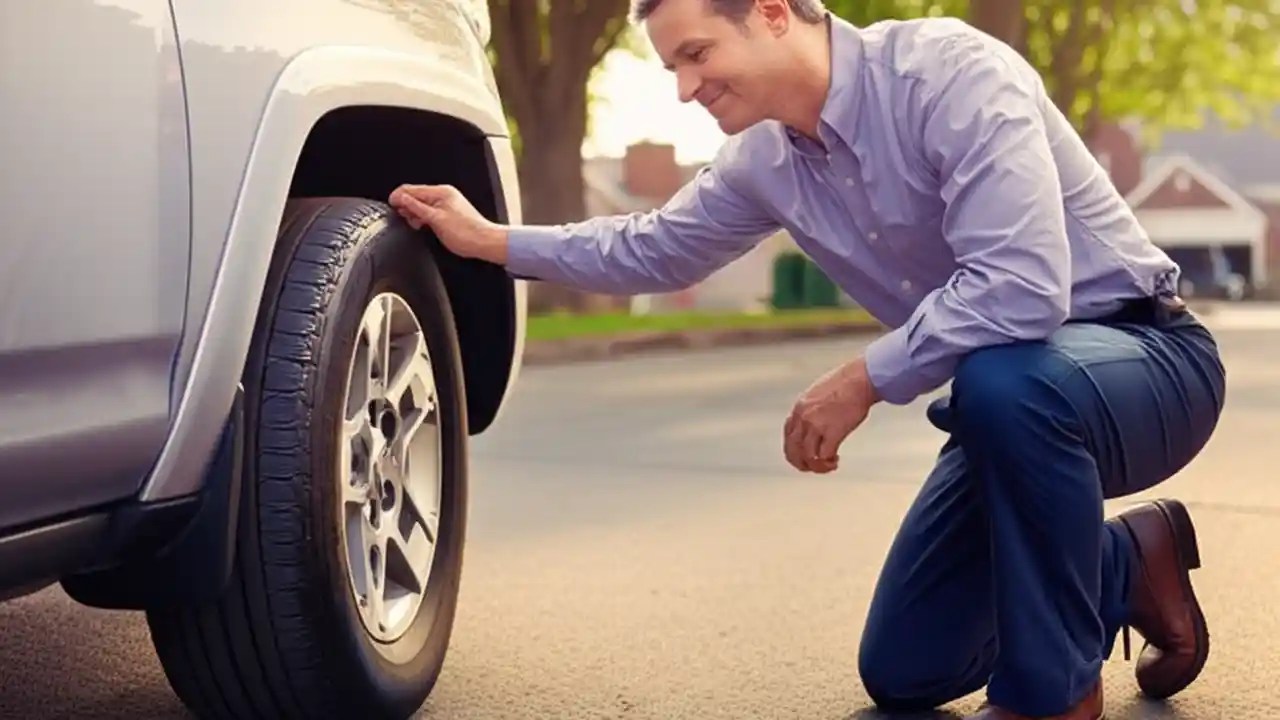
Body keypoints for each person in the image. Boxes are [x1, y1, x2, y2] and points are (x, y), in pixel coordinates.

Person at [390, 0, 1227, 717]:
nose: (685, 87)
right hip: (1007, 409)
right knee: (906, 671)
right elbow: (651, 249)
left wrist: (861, 380)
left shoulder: (950, 75)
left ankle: (1053, 694)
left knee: (1002, 380)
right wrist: (491, 240)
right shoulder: (766, 161)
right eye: (672, 67)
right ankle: (1127, 562)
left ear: (773, 11)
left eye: (696, 54)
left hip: (1145, 358)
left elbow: (1022, 289)